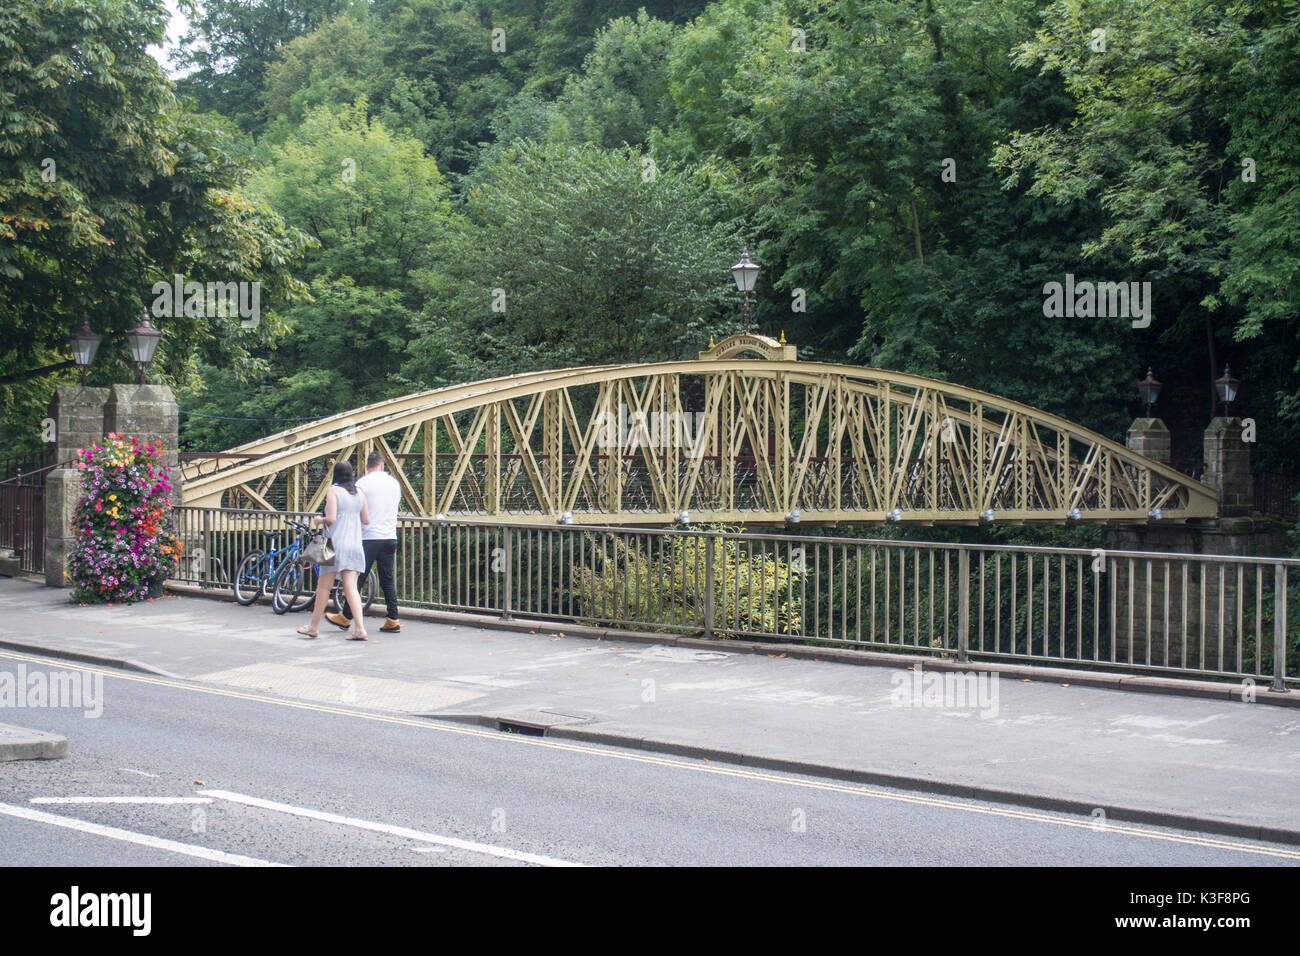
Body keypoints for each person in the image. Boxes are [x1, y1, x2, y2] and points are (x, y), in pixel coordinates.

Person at [326, 450, 401, 633]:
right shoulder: (394, 483)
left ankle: (345, 617)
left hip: (368, 537)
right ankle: (393, 618)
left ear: (367, 467)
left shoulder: (362, 483)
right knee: (387, 580)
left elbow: (357, 509)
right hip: (389, 536)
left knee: (355, 580)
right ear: (382, 466)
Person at [296, 460, 370, 641]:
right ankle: (360, 629)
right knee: (351, 588)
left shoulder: (333, 491)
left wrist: (319, 520)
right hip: (355, 545)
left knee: (323, 588)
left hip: (336, 545)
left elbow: (331, 519)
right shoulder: (360, 493)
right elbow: (366, 520)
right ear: (351, 474)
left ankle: (313, 627)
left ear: (335, 475)